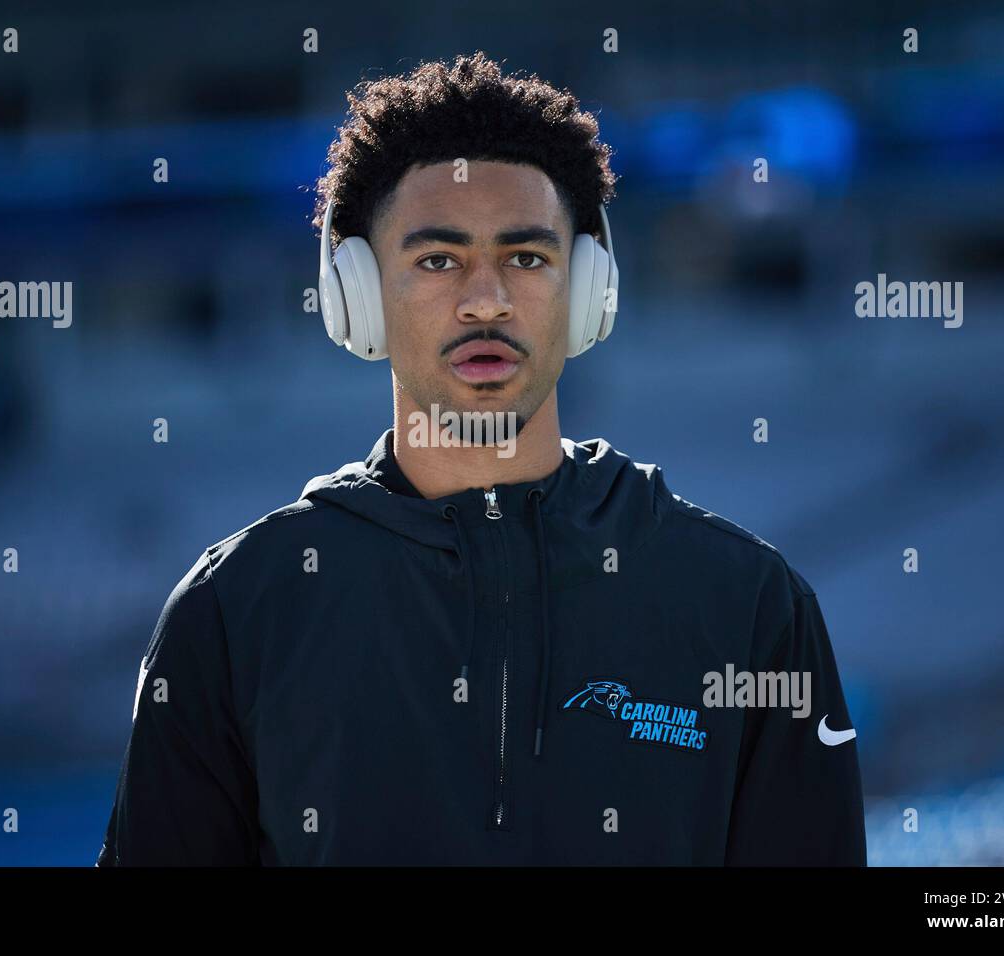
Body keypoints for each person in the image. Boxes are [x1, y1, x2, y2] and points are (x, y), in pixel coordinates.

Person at [96, 51, 865, 866]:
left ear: (589, 289)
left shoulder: (747, 605)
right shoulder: (237, 611)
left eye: (527, 258)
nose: (487, 299)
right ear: (355, 291)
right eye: (438, 260)